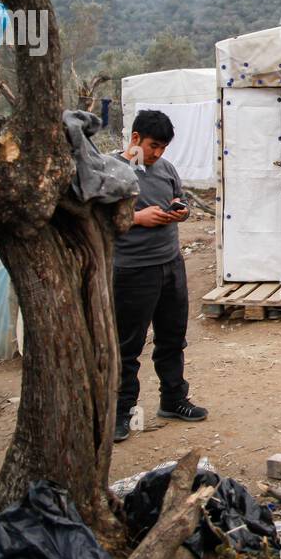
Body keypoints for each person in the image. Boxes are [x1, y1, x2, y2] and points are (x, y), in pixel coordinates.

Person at [112, 109, 207, 443]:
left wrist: (180, 209)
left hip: (170, 263)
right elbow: (94, 218)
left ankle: (173, 399)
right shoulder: (110, 170)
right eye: (153, 146)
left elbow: (178, 196)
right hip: (132, 269)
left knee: (172, 337)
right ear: (135, 138)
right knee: (128, 345)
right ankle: (121, 413)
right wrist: (137, 219)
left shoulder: (165, 168)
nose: (157, 154)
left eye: (163, 147)